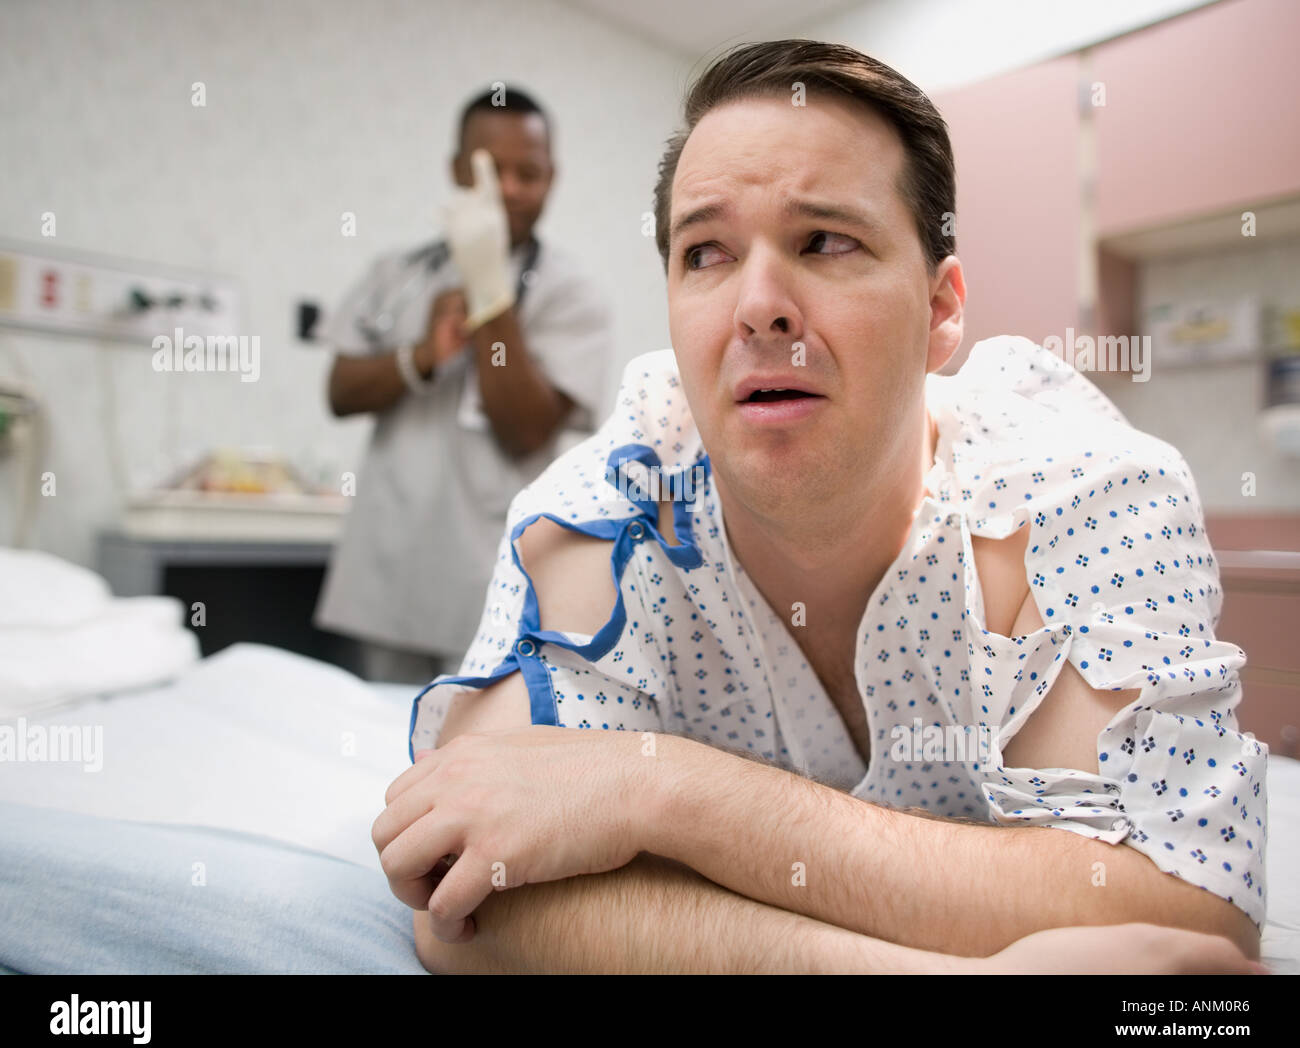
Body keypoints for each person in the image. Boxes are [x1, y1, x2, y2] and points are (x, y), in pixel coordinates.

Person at [372, 41, 1268, 974]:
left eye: (824, 241)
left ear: (941, 308)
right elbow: (459, 896)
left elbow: (1189, 916)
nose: (759, 307)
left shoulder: (1081, 494)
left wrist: (665, 792)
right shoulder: (608, 513)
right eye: (705, 253)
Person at [315, 86, 614, 683]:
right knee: (372, 754)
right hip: (388, 573)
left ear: (551, 178)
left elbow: (527, 430)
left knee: (468, 762)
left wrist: (488, 292)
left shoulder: (571, 291)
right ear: (457, 170)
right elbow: (340, 392)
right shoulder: (398, 273)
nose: (507, 189)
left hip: (488, 584)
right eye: (489, 171)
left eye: (527, 173)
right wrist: (421, 356)